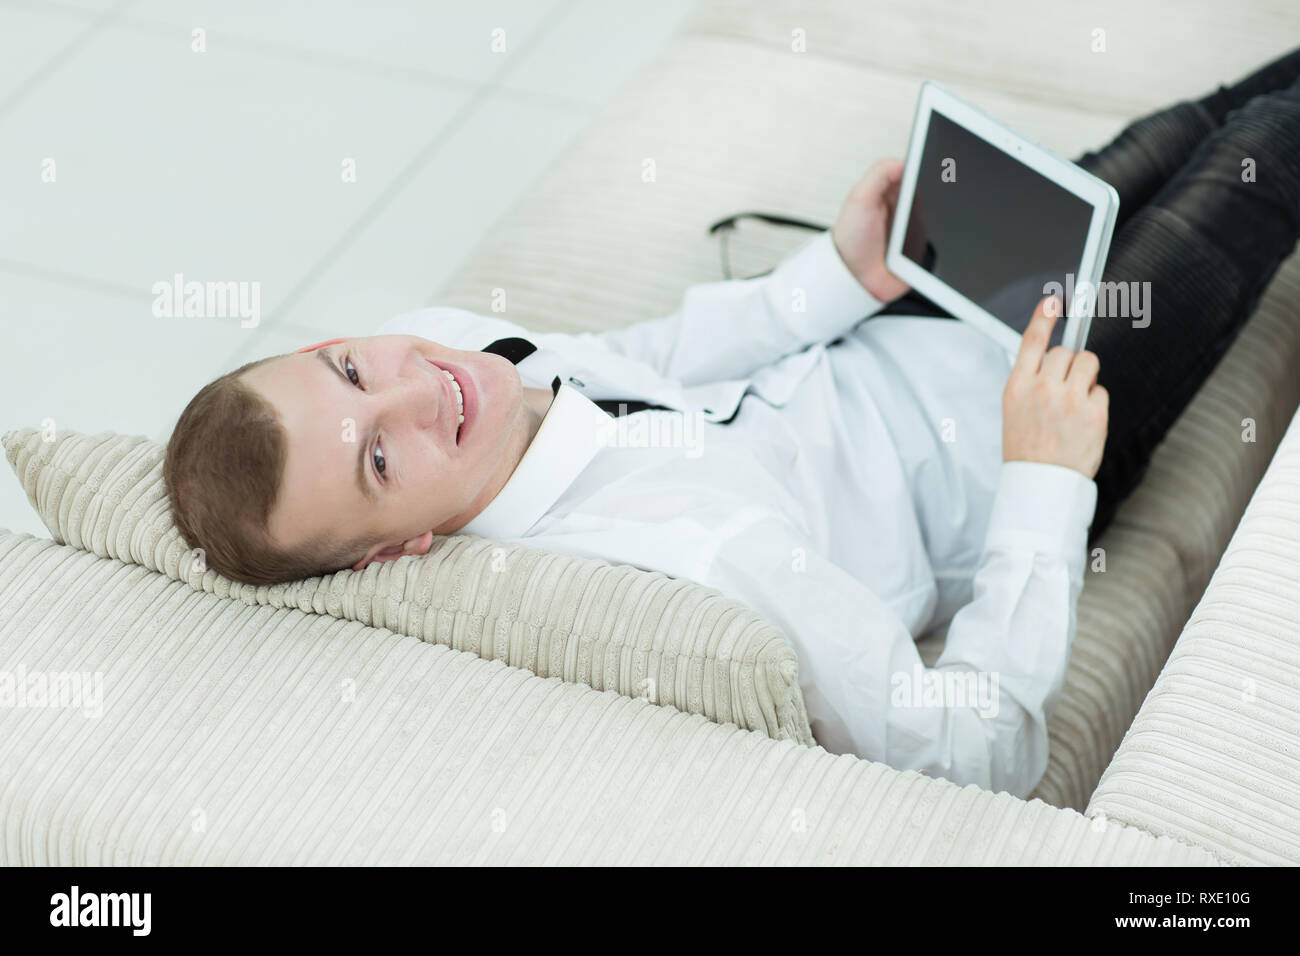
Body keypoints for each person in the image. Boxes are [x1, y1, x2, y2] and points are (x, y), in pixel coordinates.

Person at [164, 48, 1300, 798]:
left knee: (1215, 113)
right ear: (392, 549)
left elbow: (647, 362)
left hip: (923, 314)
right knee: (1271, 140)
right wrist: (1044, 480)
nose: (418, 387)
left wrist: (840, 276)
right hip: (1032, 416)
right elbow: (978, 752)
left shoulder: (453, 357)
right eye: (376, 456)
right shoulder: (694, 570)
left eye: (350, 366)